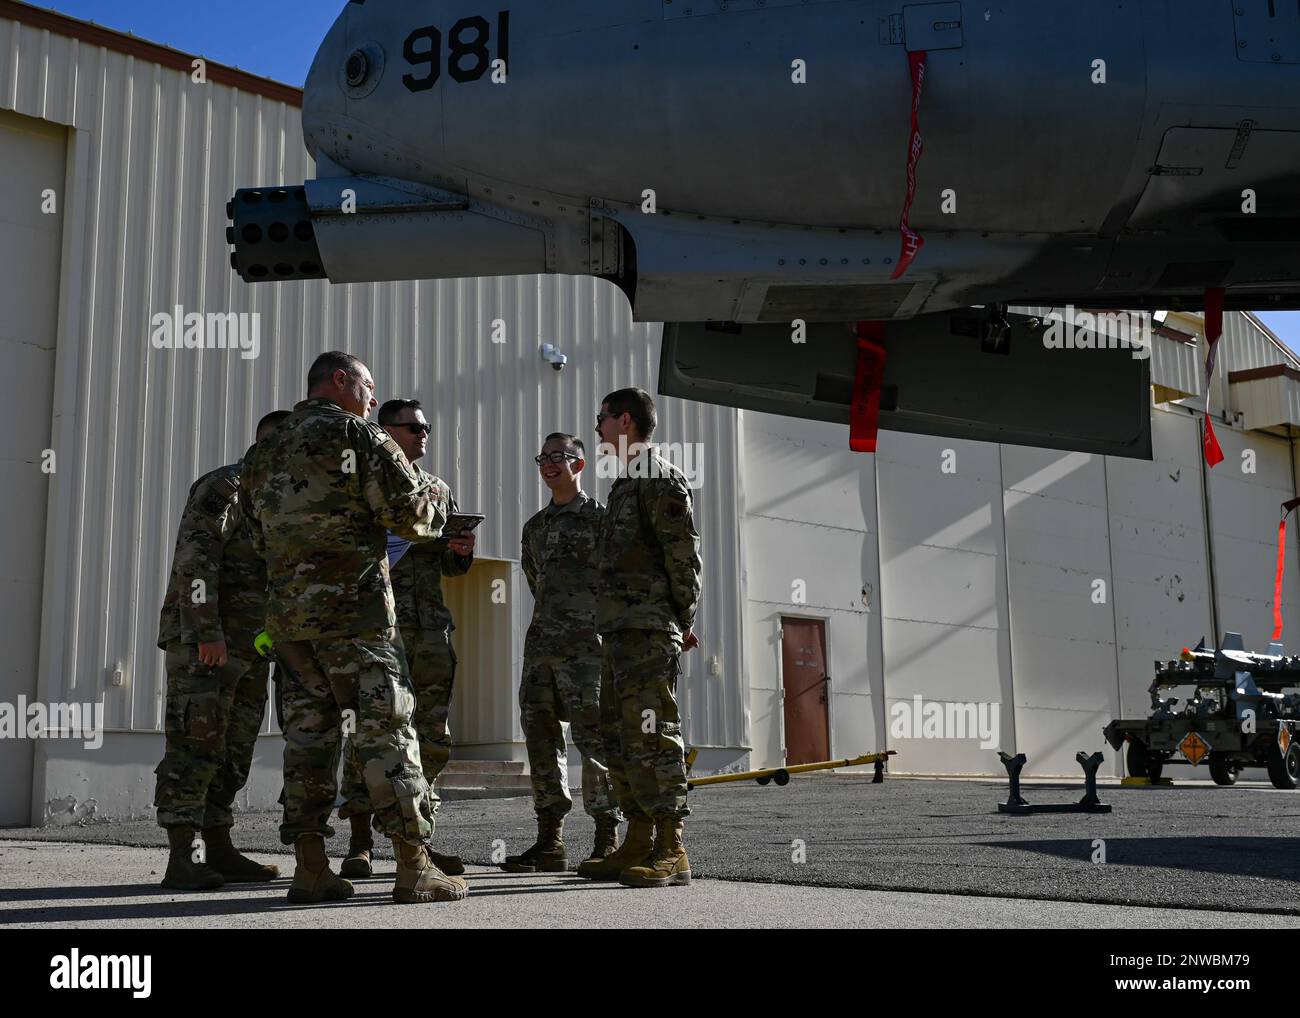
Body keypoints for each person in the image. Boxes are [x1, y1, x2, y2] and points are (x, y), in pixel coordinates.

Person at [242, 351, 466, 906]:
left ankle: (311, 868)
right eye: (368, 388)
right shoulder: (359, 436)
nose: (372, 399)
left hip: (292, 626)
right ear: (340, 381)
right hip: (357, 621)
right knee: (387, 734)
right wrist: (436, 492)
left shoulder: (263, 451)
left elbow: (254, 537)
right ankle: (414, 868)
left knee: (309, 741)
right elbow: (413, 514)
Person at [153, 409, 291, 891]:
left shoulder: (279, 498)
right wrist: (206, 631)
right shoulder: (225, 486)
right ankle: (182, 857)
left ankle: (220, 848)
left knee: (234, 751)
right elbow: (195, 560)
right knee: (196, 745)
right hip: (207, 645)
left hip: (252, 647)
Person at [338, 398, 474, 879]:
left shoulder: (438, 490)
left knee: (431, 737)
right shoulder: (360, 485)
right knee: (368, 734)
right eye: (413, 427)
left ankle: (418, 842)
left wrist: (462, 550)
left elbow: (453, 567)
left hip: (427, 629)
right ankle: (359, 844)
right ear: (386, 431)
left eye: (426, 427)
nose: (423, 435)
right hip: (375, 628)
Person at [578, 387, 702, 888]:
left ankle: (672, 848)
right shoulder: (625, 483)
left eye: (602, 419)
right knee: (620, 735)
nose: (597, 429)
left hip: (650, 630)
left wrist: (680, 621)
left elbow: (683, 557)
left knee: (654, 734)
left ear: (624, 421)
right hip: (620, 631)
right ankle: (638, 838)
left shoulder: (659, 478)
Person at [503, 433, 621, 872]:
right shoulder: (534, 527)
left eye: (560, 457)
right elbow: (537, 582)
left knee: (593, 741)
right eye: (543, 458)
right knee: (541, 737)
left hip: (588, 649)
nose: (550, 464)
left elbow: (618, 578)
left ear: (580, 464)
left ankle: (607, 838)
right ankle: (549, 840)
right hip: (542, 649)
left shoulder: (600, 519)